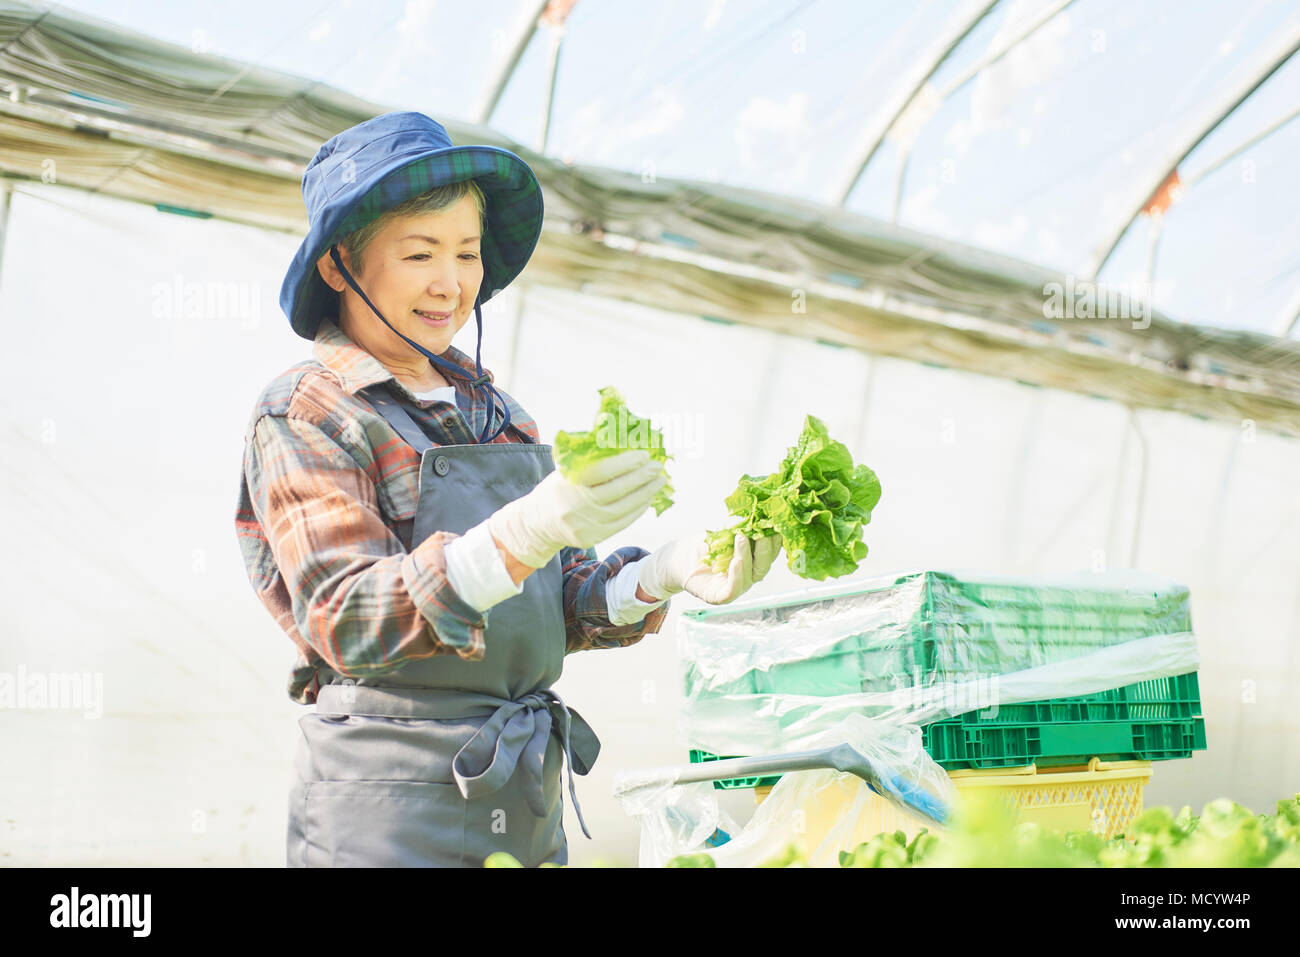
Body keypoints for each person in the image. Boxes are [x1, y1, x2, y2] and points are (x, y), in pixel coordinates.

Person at [233, 111, 781, 867]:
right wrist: (526, 530)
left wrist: (663, 573)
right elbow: (348, 616)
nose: (450, 283)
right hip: (386, 805)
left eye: (466, 252)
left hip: (519, 793)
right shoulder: (311, 407)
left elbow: (556, 598)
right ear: (337, 265)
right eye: (419, 253)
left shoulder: (493, 407)